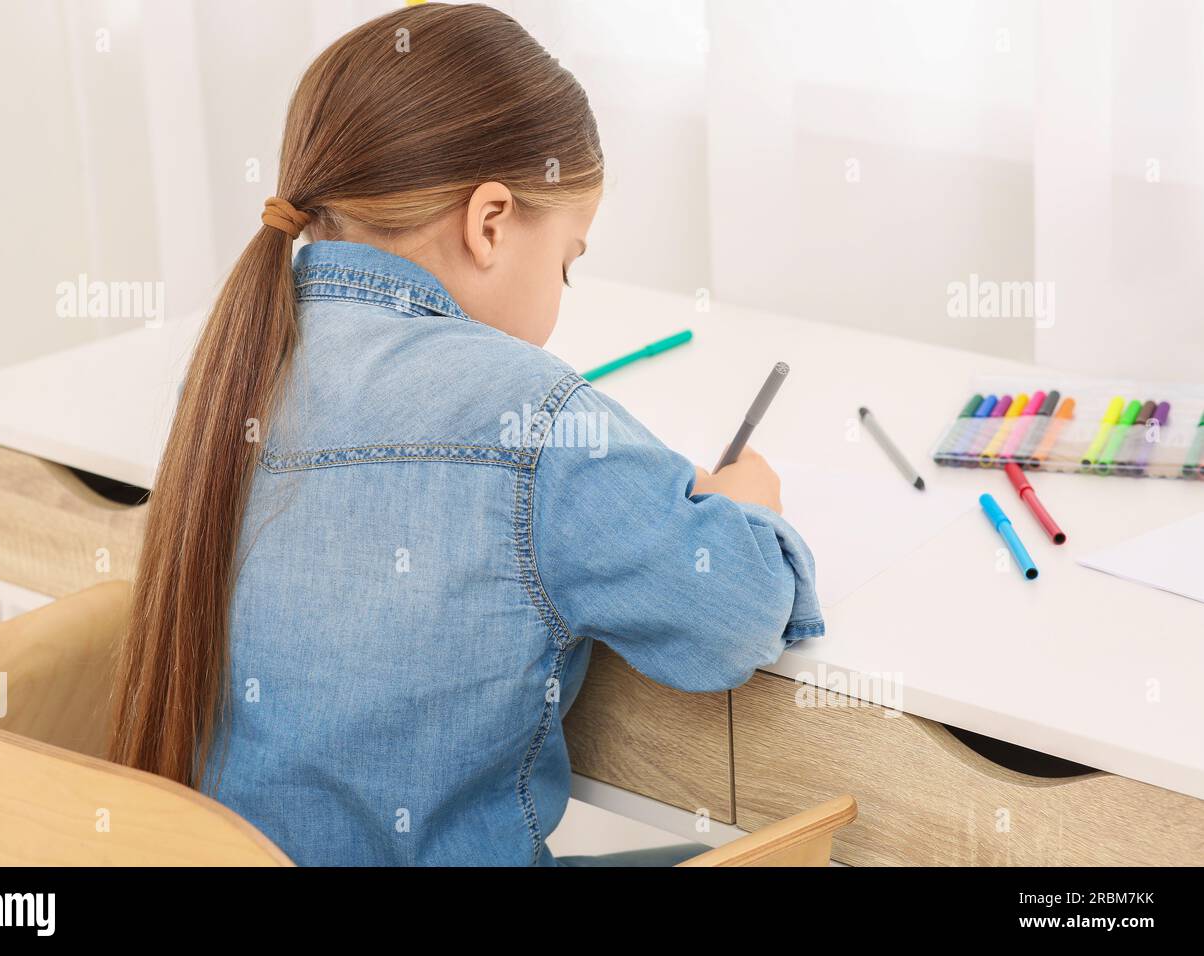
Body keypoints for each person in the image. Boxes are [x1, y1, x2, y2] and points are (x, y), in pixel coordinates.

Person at [108, 2, 822, 867]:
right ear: (489, 223)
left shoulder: (230, 364)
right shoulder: (530, 416)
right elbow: (732, 619)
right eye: (567, 260)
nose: (563, 290)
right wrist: (744, 509)